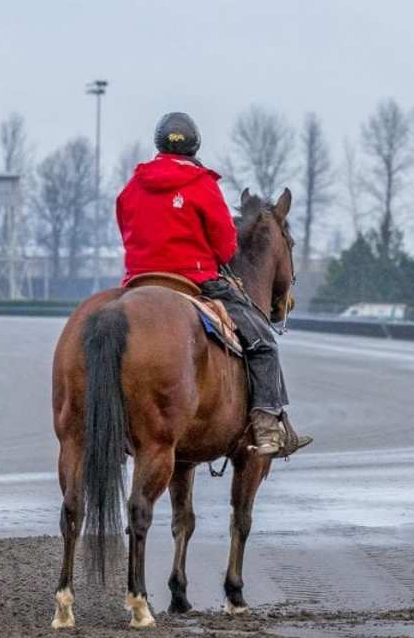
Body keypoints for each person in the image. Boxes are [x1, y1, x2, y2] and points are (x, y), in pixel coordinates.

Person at [116, 112, 312, 458]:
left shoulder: (133, 185)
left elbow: (125, 228)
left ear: (159, 144)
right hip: (194, 281)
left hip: (137, 281)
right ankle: (267, 427)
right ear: (195, 146)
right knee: (264, 342)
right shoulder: (201, 183)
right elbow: (225, 245)